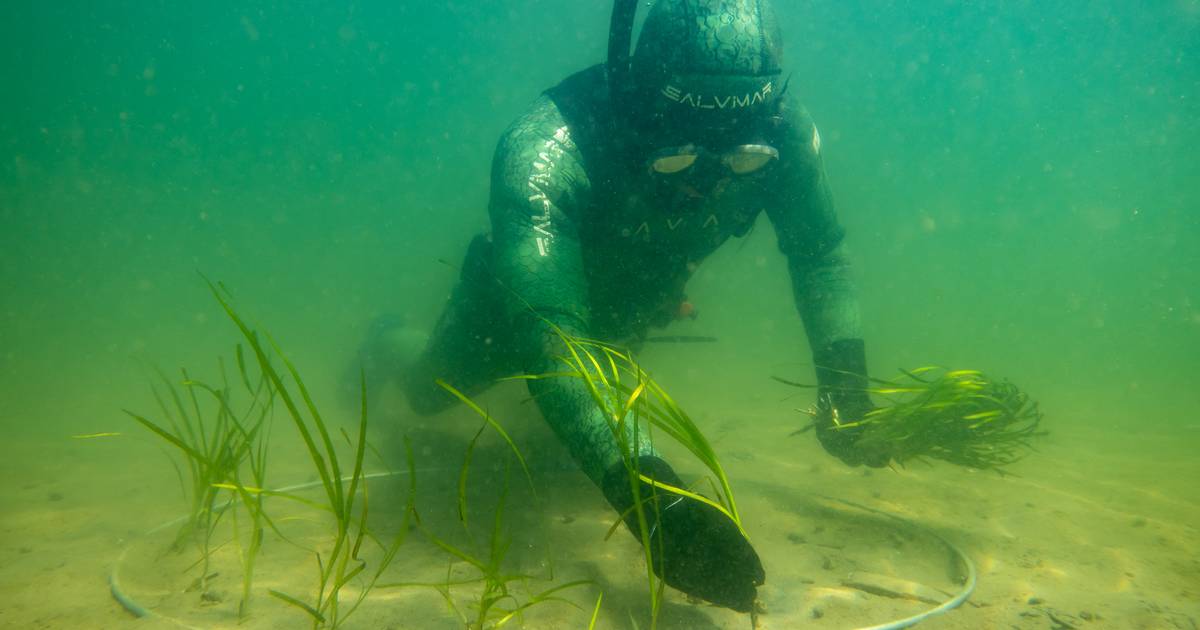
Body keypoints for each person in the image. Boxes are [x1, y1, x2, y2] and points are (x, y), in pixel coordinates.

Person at [357, 0, 885, 614]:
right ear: (640, 104)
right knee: (429, 392)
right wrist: (655, 504)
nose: (708, 179)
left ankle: (572, 424)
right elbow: (554, 337)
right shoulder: (545, 151)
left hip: (632, 305)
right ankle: (386, 339)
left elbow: (820, 254)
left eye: (740, 155)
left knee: (568, 433)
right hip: (510, 310)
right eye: (682, 153)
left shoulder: (782, 131)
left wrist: (846, 386)